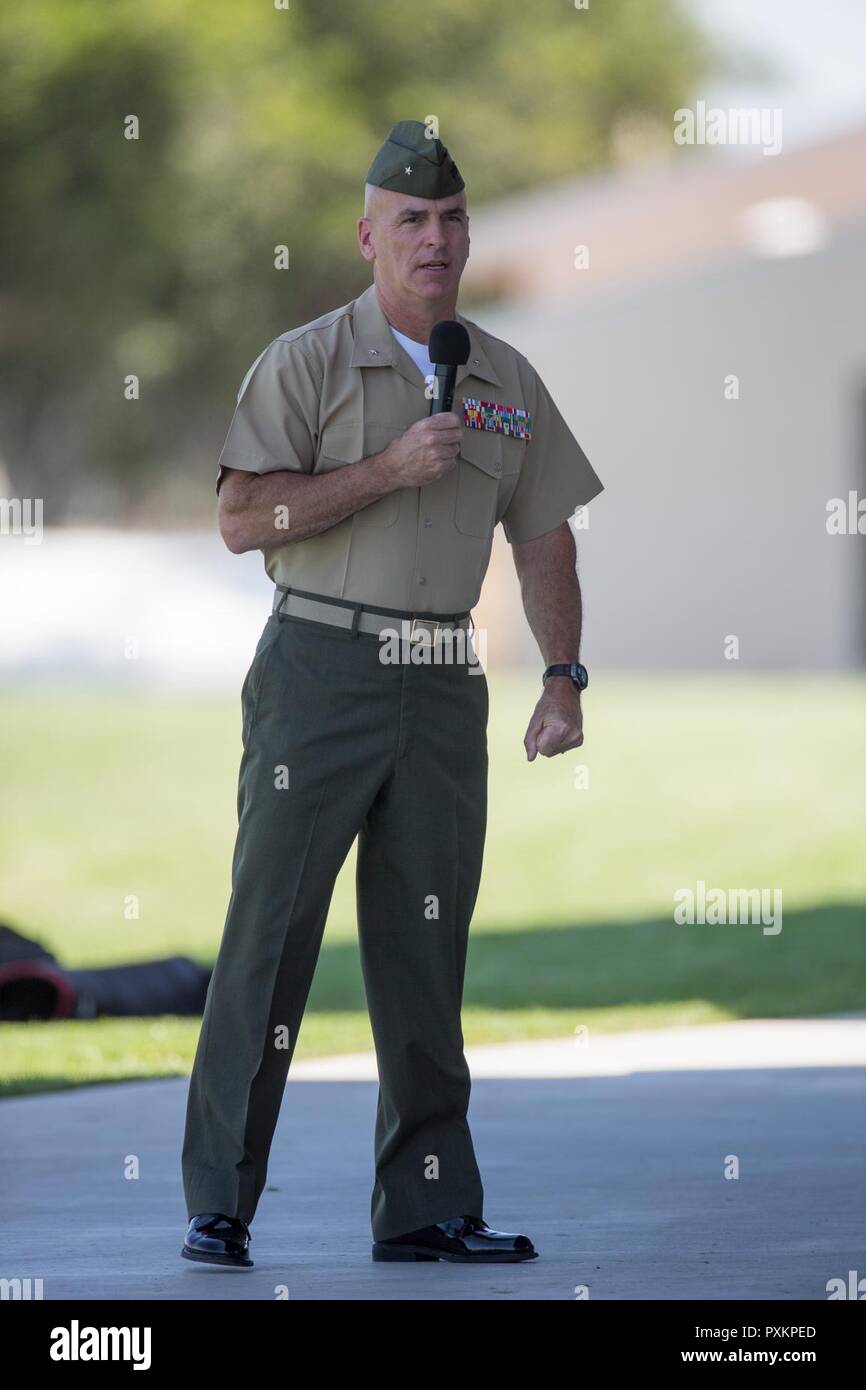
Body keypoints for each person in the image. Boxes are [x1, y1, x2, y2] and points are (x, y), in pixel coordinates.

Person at [181, 119, 603, 1269]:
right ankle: (219, 1198)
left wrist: (560, 676)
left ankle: (424, 1206)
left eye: (452, 220)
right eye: (411, 220)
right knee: (270, 932)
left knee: (425, 947)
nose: (435, 238)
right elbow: (237, 520)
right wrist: (383, 471)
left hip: (441, 679)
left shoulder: (505, 378)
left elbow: (546, 536)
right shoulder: (306, 360)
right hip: (318, 665)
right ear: (368, 235)